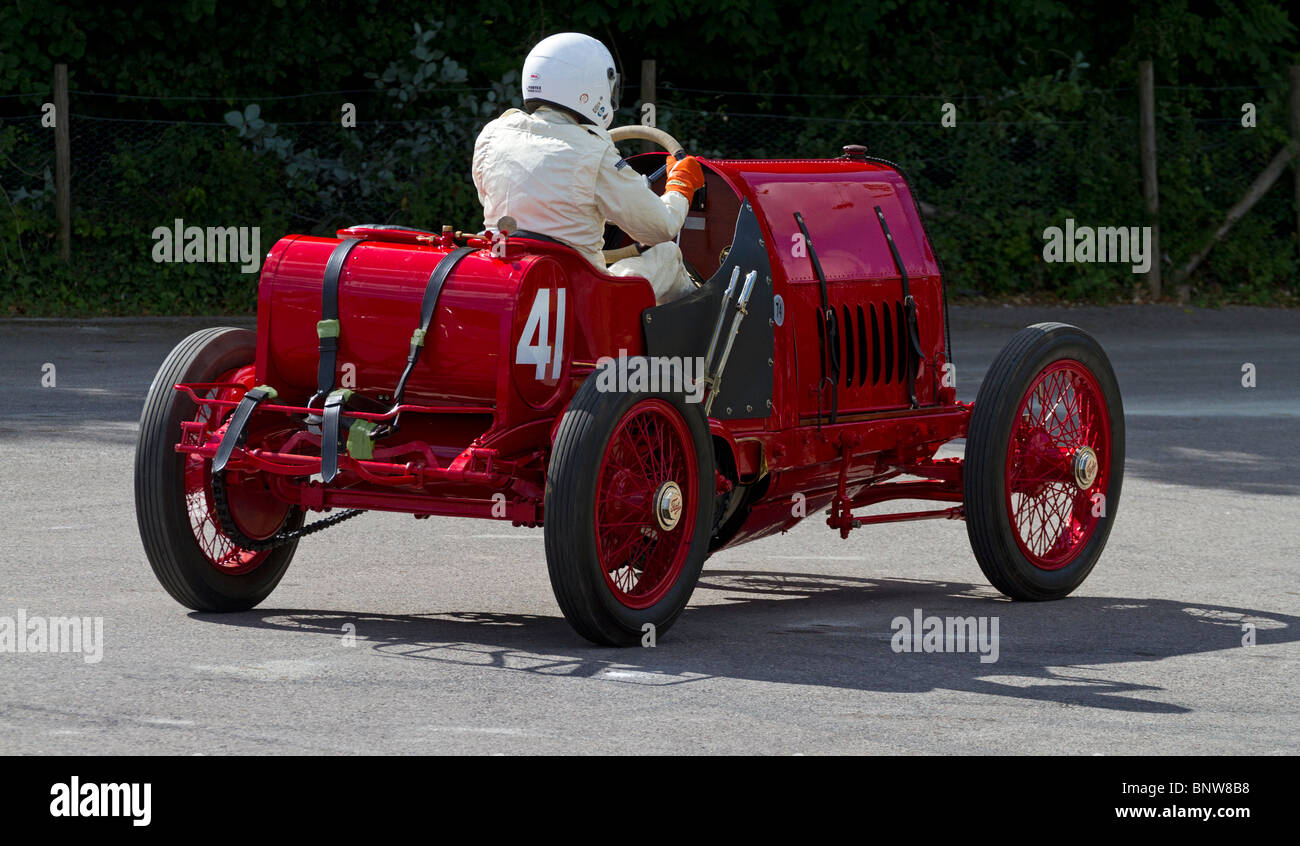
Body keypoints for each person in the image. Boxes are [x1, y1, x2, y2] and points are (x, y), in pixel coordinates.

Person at [471, 32, 705, 304]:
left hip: (507, 279)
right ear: (589, 87)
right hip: (579, 296)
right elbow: (660, 227)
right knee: (667, 255)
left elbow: (521, 203)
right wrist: (680, 185)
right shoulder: (593, 152)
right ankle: (694, 345)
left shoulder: (492, 136)